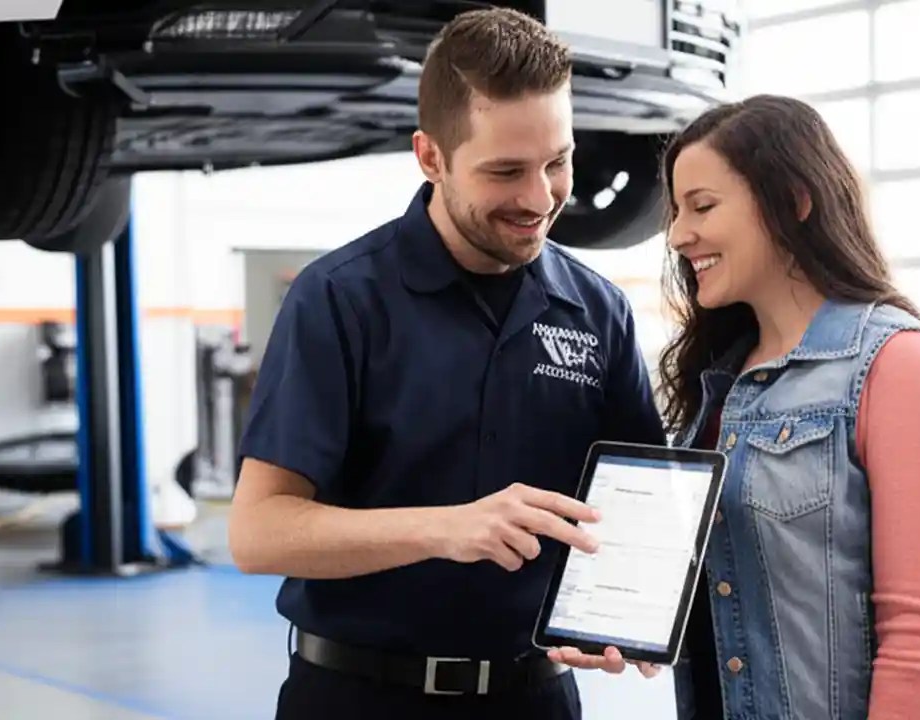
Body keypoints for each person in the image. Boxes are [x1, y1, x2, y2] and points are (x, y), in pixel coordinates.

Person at [227, 8, 666, 720]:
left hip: (536, 699)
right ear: (430, 157)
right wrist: (447, 528)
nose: (540, 198)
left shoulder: (599, 312)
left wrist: (625, 612)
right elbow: (258, 532)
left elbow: (637, 507)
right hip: (360, 698)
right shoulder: (338, 300)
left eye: (558, 162)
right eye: (505, 171)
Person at [550, 95, 920, 719]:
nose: (676, 234)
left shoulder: (897, 364)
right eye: (675, 210)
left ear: (794, 201)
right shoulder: (722, 376)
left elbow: (916, 643)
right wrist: (617, 611)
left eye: (703, 206)